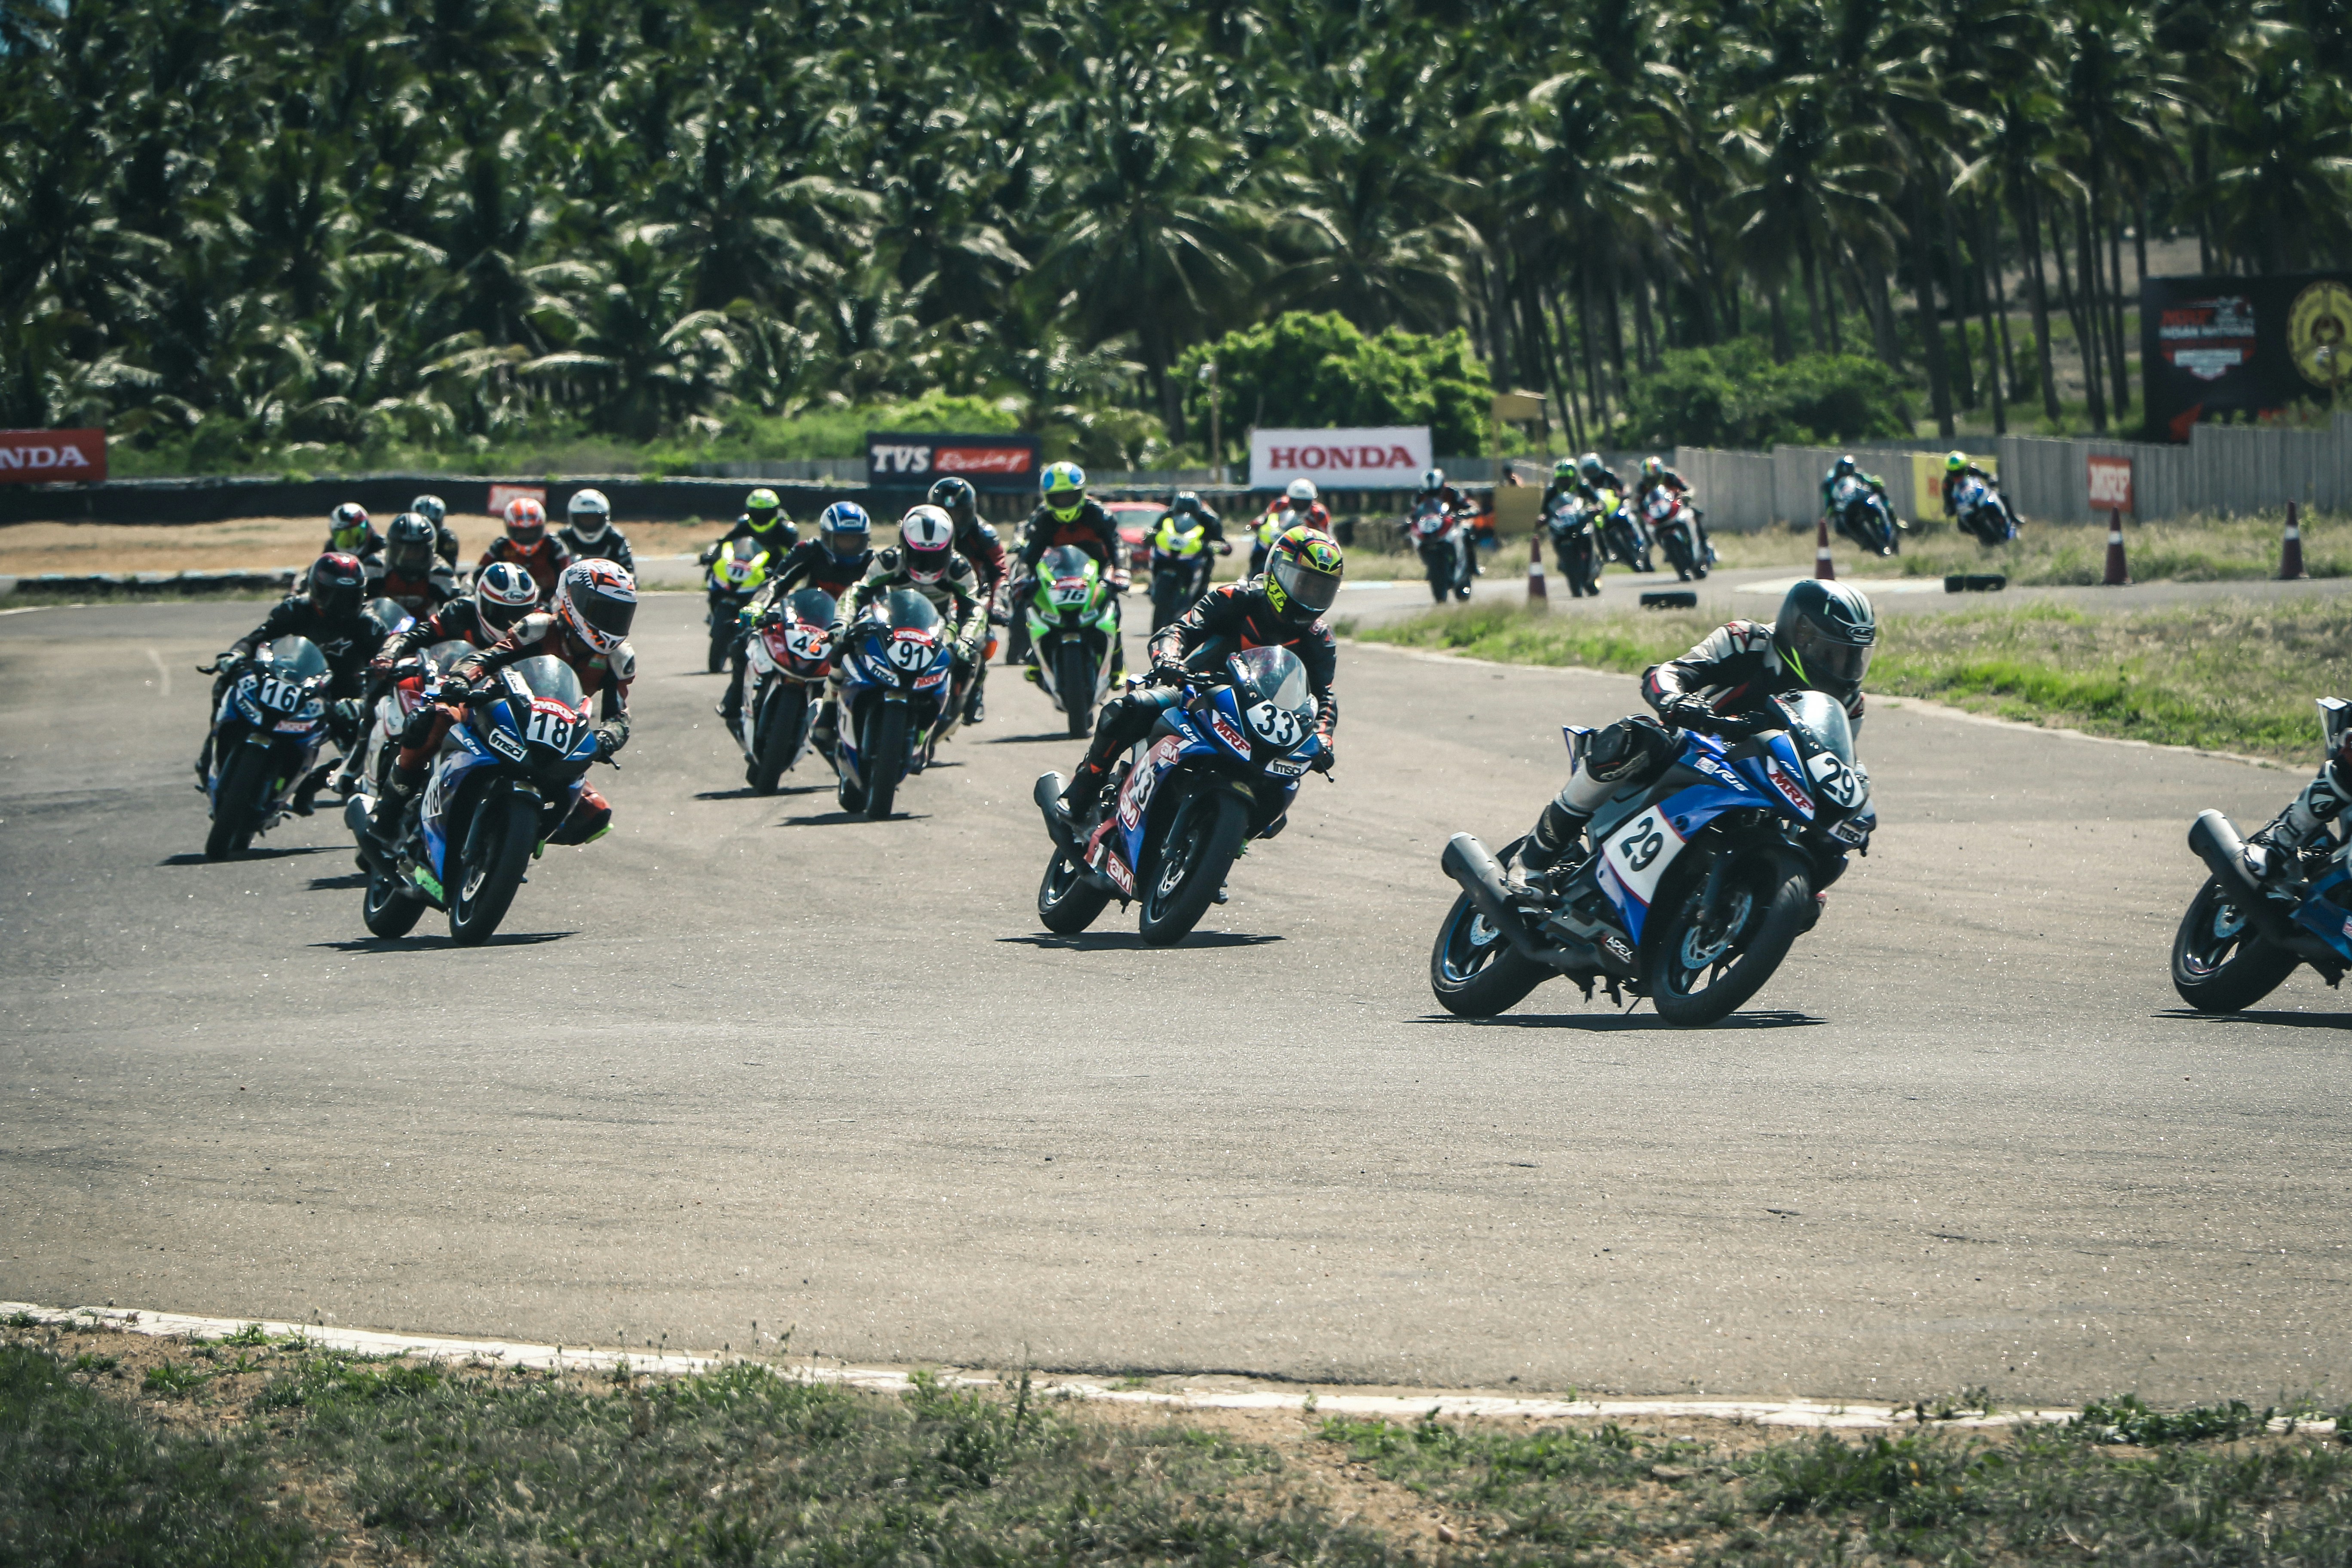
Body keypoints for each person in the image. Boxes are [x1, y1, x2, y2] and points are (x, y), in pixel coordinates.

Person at [1511, 579, 1877, 886]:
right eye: (1833, 654)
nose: (1843, 668)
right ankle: (1534, 858)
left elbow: (1834, 761)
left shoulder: (1849, 704)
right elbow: (1668, 673)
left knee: (1828, 853)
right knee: (1634, 736)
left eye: (1854, 657)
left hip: (1764, 787)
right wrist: (1677, 701)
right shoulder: (1746, 640)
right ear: (1802, 634)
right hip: (1695, 751)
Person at [1055, 526, 1343, 823]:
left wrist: (1323, 738)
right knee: (1132, 708)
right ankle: (1085, 787)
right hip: (1196, 692)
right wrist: (1169, 658)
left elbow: (1324, 696)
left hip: (1257, 719)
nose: (1309, 597)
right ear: (1275, 572)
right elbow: (1180, 630)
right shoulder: (1236, 597)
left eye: (1320, 590)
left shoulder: (1318, 638)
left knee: (1280, 793)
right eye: (1302, 584)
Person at [370, 560, 637, 848]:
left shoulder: (618, 660)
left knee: (595, 814)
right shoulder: (538, 627)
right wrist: (461, 678)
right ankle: (389, 812)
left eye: (620, 614)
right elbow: (488, 657)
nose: (611, 622)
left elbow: (619, 714)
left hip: (557, 737)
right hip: (503, 711)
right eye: (603, 611)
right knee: (432, 719)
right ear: (572, 601)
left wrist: (608, 736)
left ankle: (507, 844)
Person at [198, 552, 389, 812]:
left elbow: (386, 668)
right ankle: (211, 752)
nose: (338, 603)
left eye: (348, 596)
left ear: (361, 594)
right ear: (315, 588)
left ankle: (312, 783)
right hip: (288, 681)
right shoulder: (295, 609)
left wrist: (363, 702)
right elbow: (259, 637)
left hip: (340, 698)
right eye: (330, 594)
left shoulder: (370, 626)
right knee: (226, 682)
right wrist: (236, 654)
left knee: (368, 753)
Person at [339, 563, 540, 795]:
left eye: (520, 613)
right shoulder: (461, 611)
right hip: (451, 691)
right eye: (502, 612)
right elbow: (416, 635)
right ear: (481, 602)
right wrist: (388, 655)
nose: (511, 624)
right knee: (393, 697)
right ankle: (367, 774)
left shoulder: (537, 629)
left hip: (499, 704)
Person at [816, 506, 987, 756]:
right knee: (845, 646)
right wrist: (842, 623)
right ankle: (829, 709)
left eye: (935, 557)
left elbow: (976, 609)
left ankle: (946, 716)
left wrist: (967, 640)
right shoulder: (889, 561)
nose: (927, 565)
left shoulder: (959, 568)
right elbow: (857, 591)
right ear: (904, 546)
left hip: (939, 626)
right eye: (919, 556)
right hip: (890, 620)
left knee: (966, 660)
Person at [718, 500, 875, 727]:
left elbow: (885, 601)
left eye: (855, 540)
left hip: (847, 631)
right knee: (743, 641)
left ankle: (851, 732)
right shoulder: (808, 550)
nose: (848, 546)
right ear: (826, 536)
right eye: (842, 539)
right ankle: (734, 701)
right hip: (808, 618)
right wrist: (757, 605)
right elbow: (777, 582)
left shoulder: (874, 564)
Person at [928, 475, 1010, 722]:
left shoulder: (983, 534)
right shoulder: (921, 529)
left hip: (970, 595)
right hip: (930, 594)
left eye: (958, 514)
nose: (952, 520)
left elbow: (1000, 571)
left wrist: (997, 603)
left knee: (983, 637)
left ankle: (975, 691)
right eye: (946, 513)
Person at [478, 495, 571, 596]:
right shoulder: (500, 546)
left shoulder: (554, 544)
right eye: (521, 533)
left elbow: (568, 574)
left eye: (532, 532)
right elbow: (478, 575)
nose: (527, 537)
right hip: (510, 603)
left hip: (550, 603)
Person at [1630, 454, 1714, 564]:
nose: (1652, 479)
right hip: (1657, 514)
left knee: (1695, 511)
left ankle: (1704, 543)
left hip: (1677, 506)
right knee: (1643, 526)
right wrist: (1640, 512)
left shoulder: (1670, 476)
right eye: (1649, 477)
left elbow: (1688, 488)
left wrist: (1687, 495)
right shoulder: (1642, 486)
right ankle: (1651, 553)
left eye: (1654, 476)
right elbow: (1639, 502)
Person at [375, 513, 458, 618]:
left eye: (417, 552)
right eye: (403, 552)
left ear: (431, 551)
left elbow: (455, 616)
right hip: (383, 631)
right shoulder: (376, 567)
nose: (410, 557)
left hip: (426, 631)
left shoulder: (442, 575)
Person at [700, 486, 799, 564]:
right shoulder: (744, 523)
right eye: (756, 513)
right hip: (747, 568)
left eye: (766, 513)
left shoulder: (787, 529)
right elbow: (725, 541)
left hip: (777, 573)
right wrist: (711, 555)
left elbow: (796, 554)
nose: (761, 517)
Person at [1251, 480, 1328, 573]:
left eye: (1304, 502)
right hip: (1282, 538)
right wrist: (1257, 523)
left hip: (1308, 545)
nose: (1301, 504)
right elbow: (1265, 516)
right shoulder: (1280, 504)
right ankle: (1254, 572)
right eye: (1297, 501)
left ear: (1312, 501)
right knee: (1260, 545)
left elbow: (1328, 535)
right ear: (1290, 498)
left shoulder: (1319, 514)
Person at [1938, 450, 2021, 536]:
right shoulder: (1947, 484)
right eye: (1953, 474)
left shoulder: (1971, 469)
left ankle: (2013, 518)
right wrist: (1949, 509)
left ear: (1964, 468)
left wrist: (1992, 480)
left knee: (2003, 497)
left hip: (1980, 496)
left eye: (1959, 472)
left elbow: (1987, 476)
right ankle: (1980, 537)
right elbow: (1947, 500)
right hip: (1965, 507)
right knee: (1962, 527)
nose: (1957, 476)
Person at [559, 487, 634, 573]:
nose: (589, 523)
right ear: (573, 518)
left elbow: (630, 575)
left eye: (594, 519)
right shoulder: (562, 539)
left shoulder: (617, 540)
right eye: (584, 519)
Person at [1819, 454, 1890, 528]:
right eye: (1844, 470)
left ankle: (1894, 518)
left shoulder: (1857, 474)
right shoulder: (1830, 481)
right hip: (1845, 504)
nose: (1847, 473)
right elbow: (1827, 496)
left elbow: (1869, 480)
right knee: (1840, 528)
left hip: (1860, 498)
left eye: (1850, 469)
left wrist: (1875, 483)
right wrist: (1830, 507)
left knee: (1880, 496)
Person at [407, 493, 462, 567]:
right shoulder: (402, 535)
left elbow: (448, 569)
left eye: (433, 524)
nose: (427, 529)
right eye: (423, 524)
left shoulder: (448, 540)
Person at [325, 502, 383, 569]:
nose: (349, 539)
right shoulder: (331, 551)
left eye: (355, 534)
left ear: (368, 530)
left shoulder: (381, 547)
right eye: (343, 537)